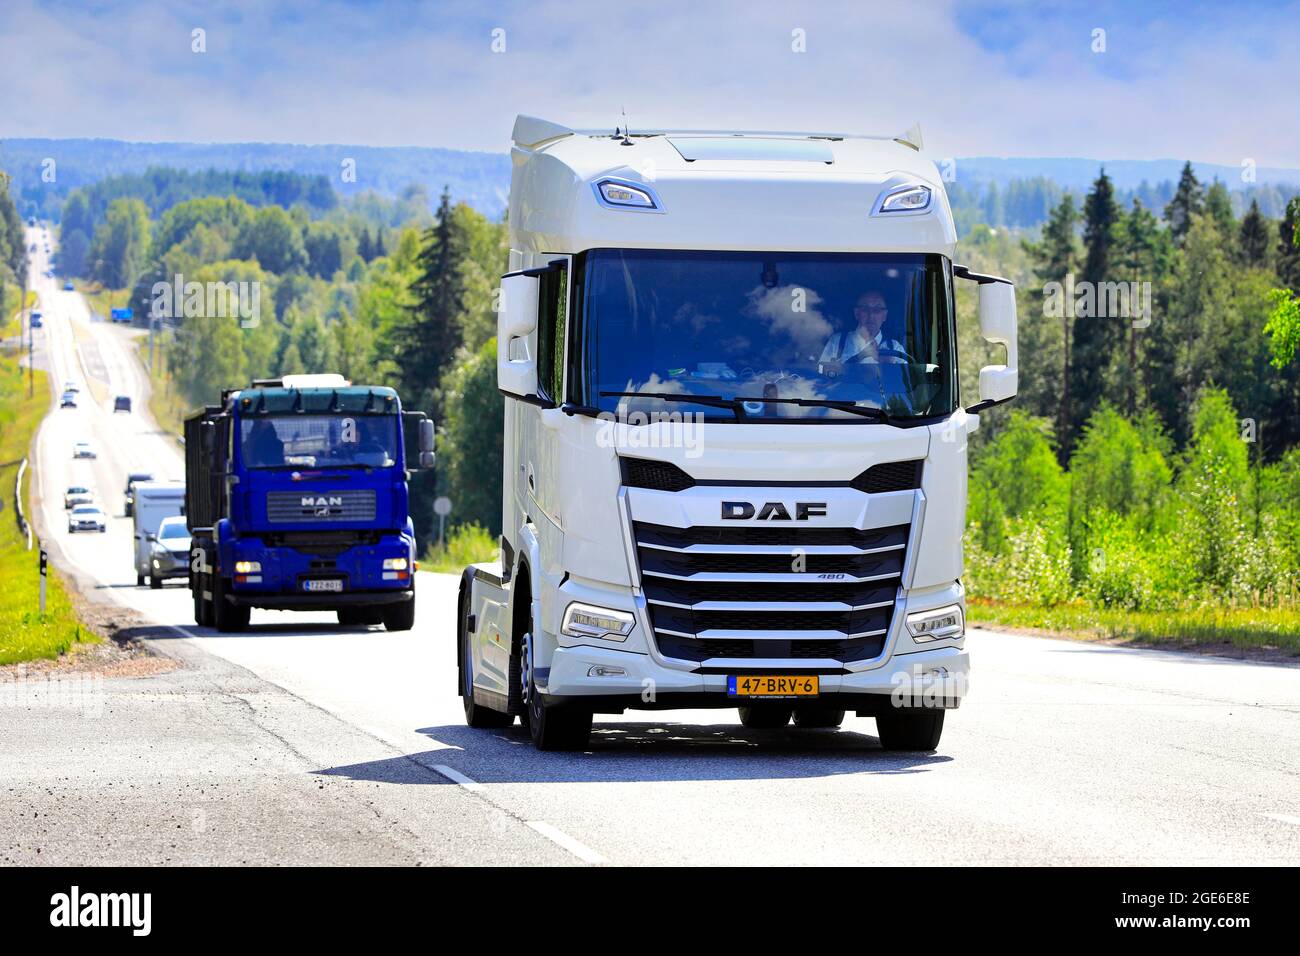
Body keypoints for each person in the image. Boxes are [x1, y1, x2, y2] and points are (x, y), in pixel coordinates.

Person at [818, 290, 909, 376]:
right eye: (865, 309)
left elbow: (907, 380)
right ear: (857, 313)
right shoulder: (837, 341)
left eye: (877, 309)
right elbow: (819, 373)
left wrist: (888, 366)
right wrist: (836, 368)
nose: (871, 315)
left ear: (884, 315)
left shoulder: (894, 347)